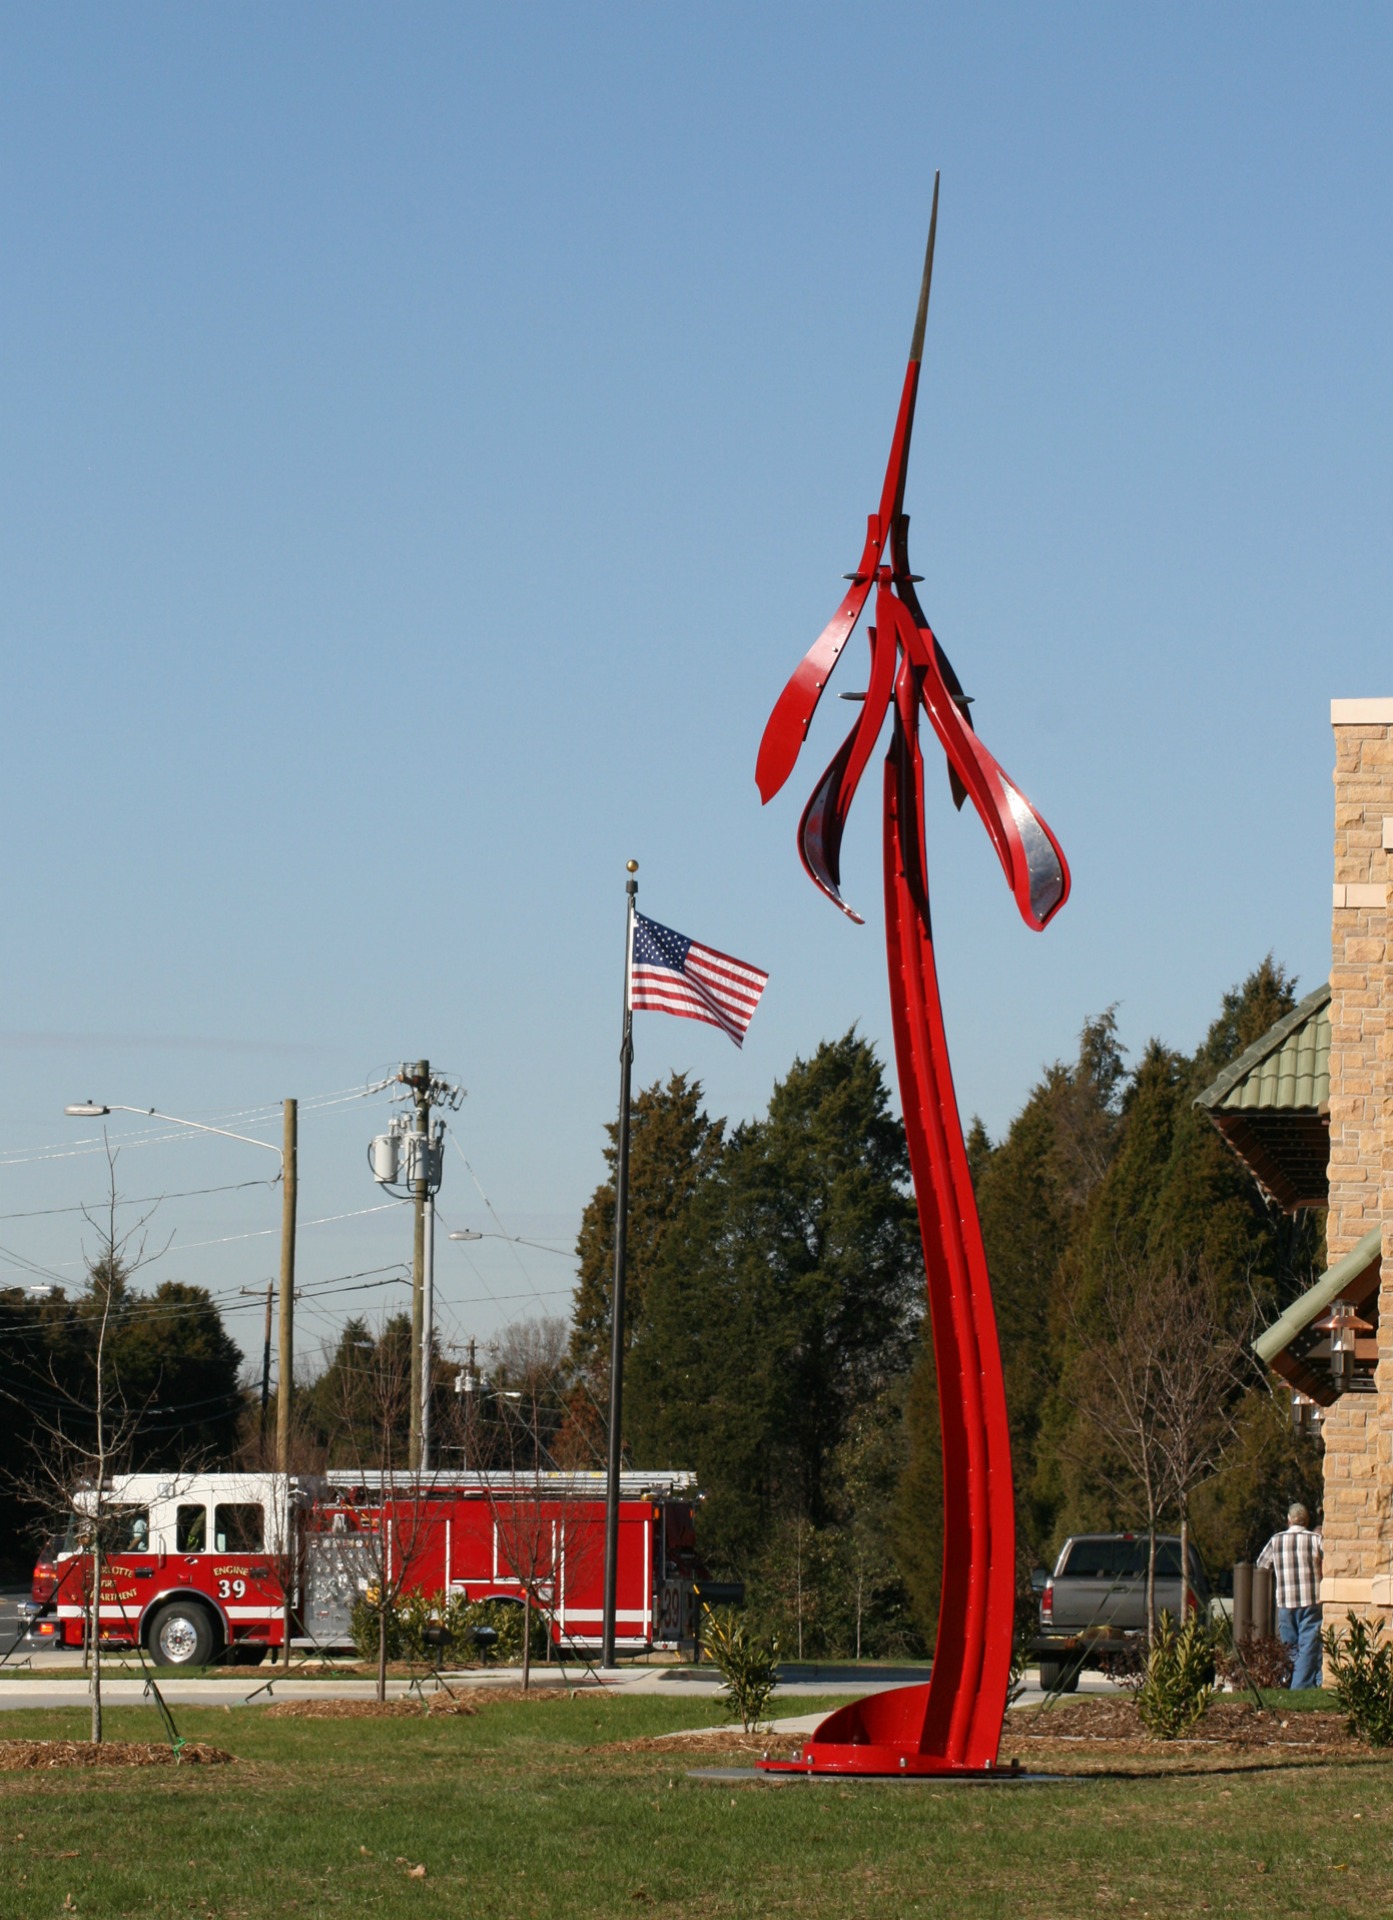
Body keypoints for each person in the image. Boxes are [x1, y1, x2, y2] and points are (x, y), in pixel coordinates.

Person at [1257, 1503, 1323, 1688]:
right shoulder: (1315, 1539)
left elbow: (1261, 1564)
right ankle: (1299, 1686)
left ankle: (1294, 1682)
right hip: (1311, 1600)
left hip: (1286, 1601)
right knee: (1308, 1645)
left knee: (1290, 1647)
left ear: (1288, 1520)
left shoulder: (1276, 1540)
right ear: (1307, 1520)